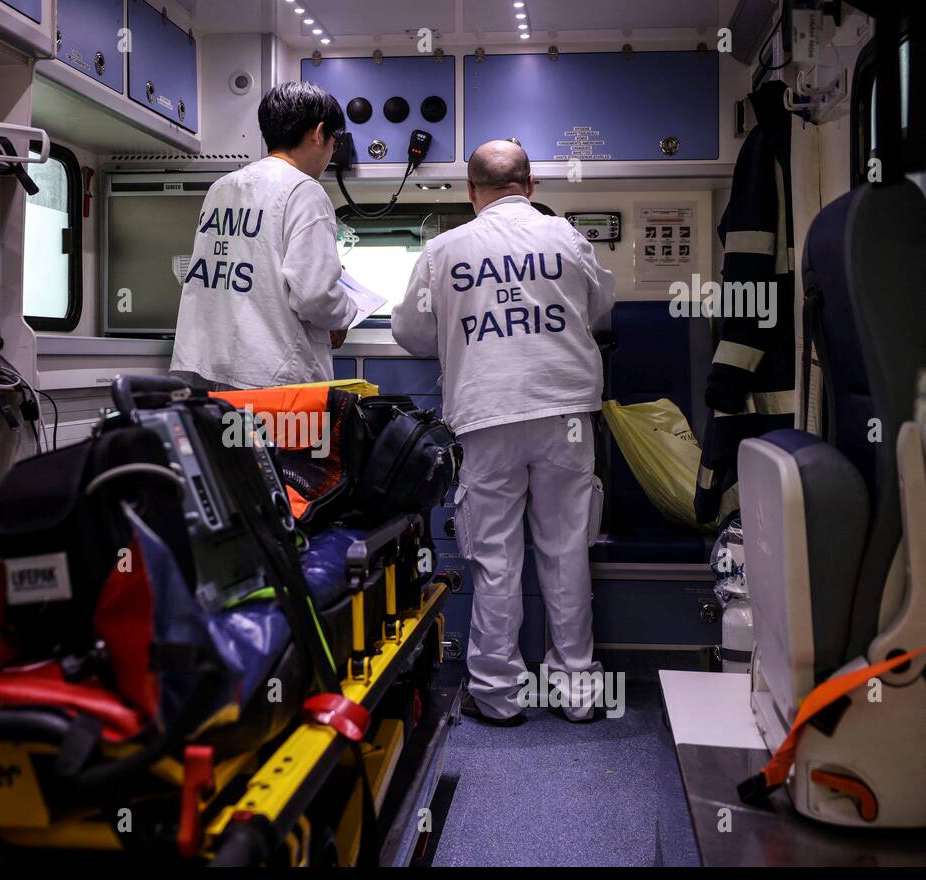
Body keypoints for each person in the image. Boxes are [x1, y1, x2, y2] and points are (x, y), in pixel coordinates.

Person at [391, 140, 616, 724]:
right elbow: (598, 307)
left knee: (495, 556)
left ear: (471, 192)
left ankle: (496, 693)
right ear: (531, 185)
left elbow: (411, 333)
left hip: (486, 415)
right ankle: (578, 691)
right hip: (564, 412)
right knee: (567, 550)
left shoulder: (444, 250)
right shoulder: (567, 237)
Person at [170, 81, 356, 391]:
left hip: (212, 373)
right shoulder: (305, 191)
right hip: (277, 384)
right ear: (318, 132)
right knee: (293, 443)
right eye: (334, 141)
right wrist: (346, 312)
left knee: (230, 442)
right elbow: (314, 295)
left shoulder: (222, 187)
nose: (332, 153)